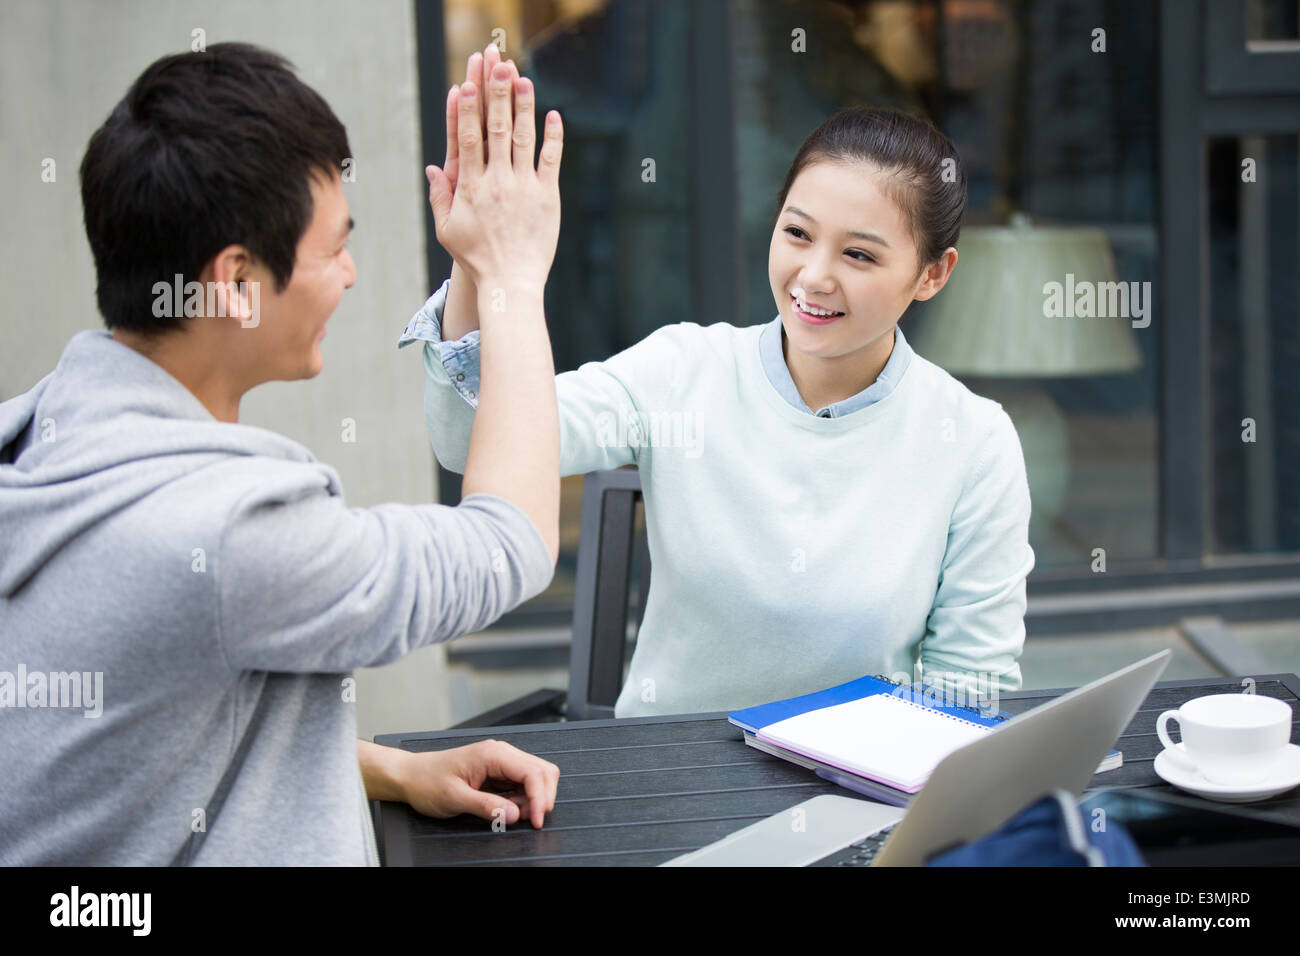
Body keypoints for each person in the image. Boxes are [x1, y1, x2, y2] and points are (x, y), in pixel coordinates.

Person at [0, 41, 564, 865]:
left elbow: (129, 744)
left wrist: (382, 770)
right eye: (332, 247)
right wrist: (512, 274)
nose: (350, 273)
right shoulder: (226, 531)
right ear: (233, 280)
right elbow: (510, 544)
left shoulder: (34, 438)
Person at [406, 90, 1036, 718]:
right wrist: (478, 266)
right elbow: (473, 438)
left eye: (859, 254)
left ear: (932, 274)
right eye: (797, 233)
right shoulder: (683, 371)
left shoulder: (973, 441)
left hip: (856, 790)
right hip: (671, 780)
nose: (814, 276)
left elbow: (967, 690)